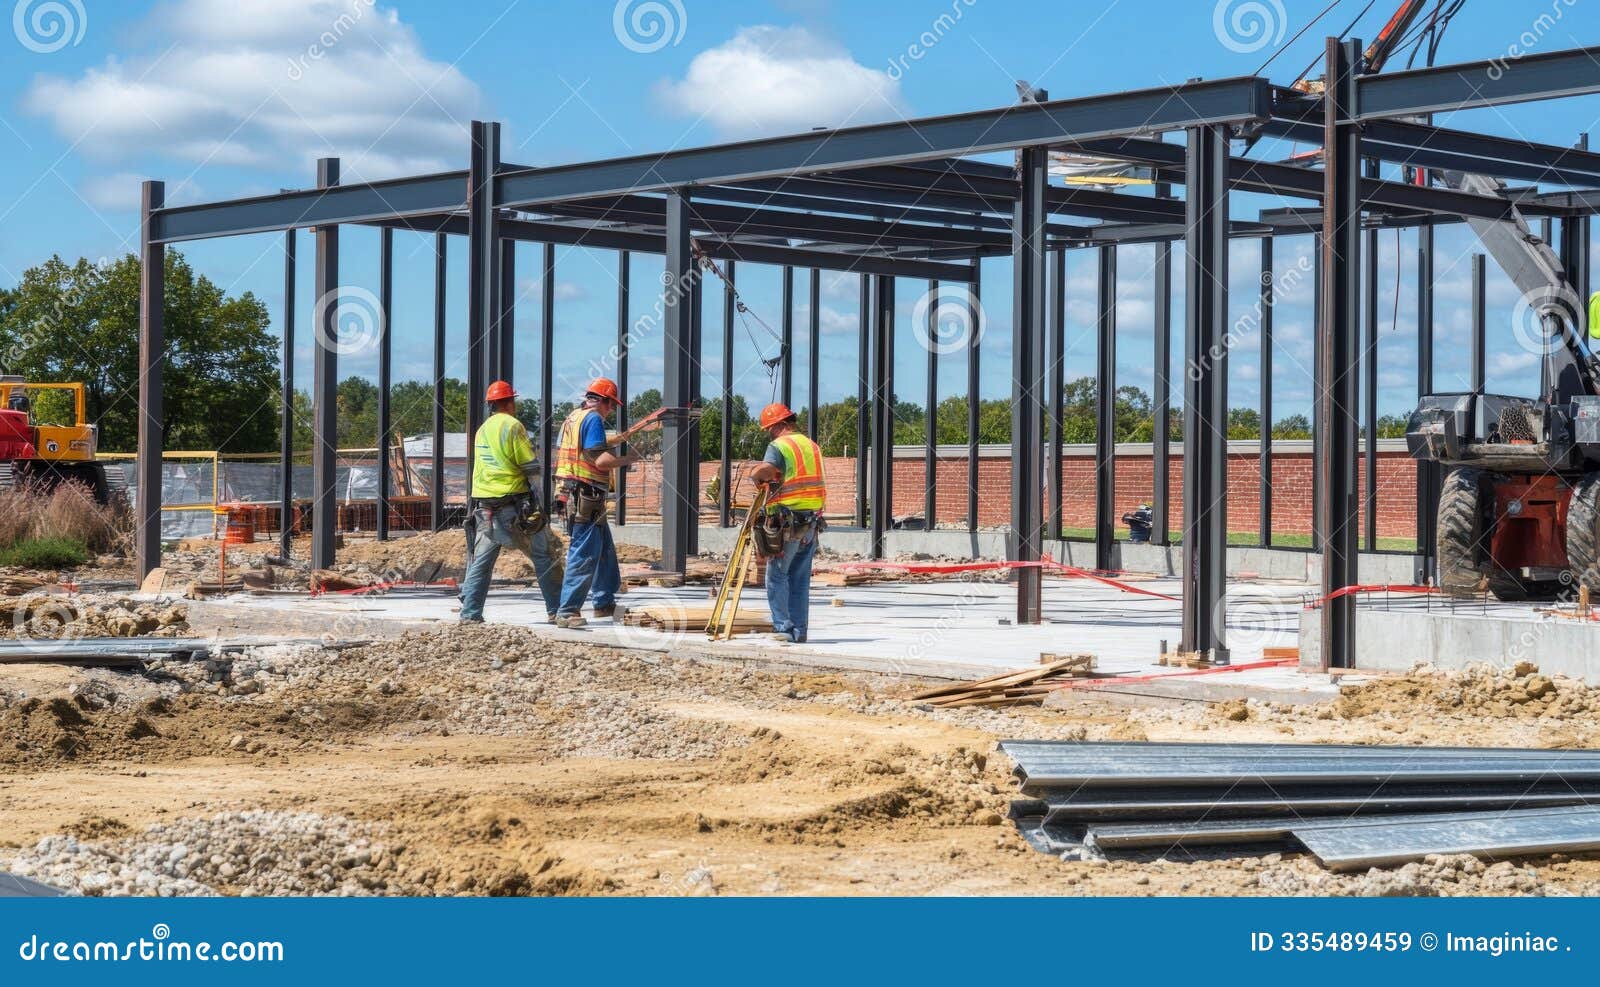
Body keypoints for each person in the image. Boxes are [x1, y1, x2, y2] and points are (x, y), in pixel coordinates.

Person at [458, 380, 562, 624]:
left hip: (485, 506)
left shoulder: (482, 429)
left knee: (482, 561)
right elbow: (530, 468)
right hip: (512, 504)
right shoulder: (513, 426)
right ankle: (557, 610)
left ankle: (470, 613)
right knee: (544, 555)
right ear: (510, 402)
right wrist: (542, 501)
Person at [552, 377, 633, 628]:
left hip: (573, 492)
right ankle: (567, 610)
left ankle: (604, 602)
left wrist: (615, 440)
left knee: (604, 551)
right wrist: (629, 458)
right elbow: (599, 461)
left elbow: (581, 448)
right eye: (611, 406)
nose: (611, 411)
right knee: (584, 552)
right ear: (604, 401)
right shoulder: (594, 418)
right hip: (586, 493)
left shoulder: (573, 417)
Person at [747, 403, 826, 644]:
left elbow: (769, 470)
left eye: (771, 428)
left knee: (777, 576)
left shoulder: (779, 445)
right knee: (800, 578)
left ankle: (783, 628)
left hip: (787, 521)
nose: (770, 433)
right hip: (811, 520)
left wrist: (756, 475)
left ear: (781, 425)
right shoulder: (811, 445)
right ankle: (799, 631)